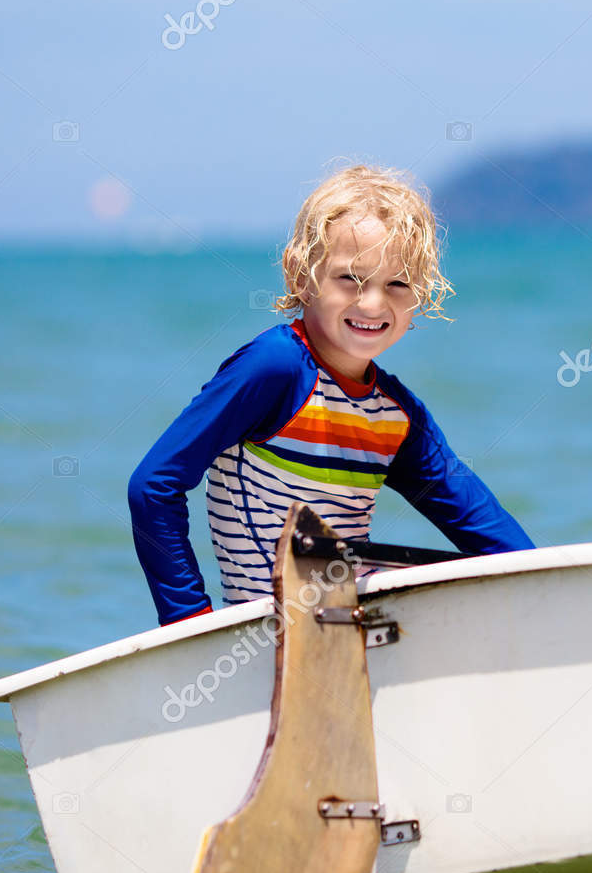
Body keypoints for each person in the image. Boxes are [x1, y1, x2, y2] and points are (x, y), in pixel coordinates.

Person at [128, 165, 532, 625]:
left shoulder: (394, 417)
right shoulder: (277, 368)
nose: (374, 303)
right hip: (257, 645)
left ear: (419, 294)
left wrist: (555, 592)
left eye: (397, 284)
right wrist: (189, 624)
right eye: (350, 279)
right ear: (300, 274)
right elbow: (153, 486)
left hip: (346, 635)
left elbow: (489, 535)